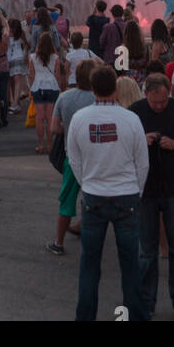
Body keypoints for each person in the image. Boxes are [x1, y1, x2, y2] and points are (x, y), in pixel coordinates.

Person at [66, 65, 150, 321]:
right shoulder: (131, 119)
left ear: (92, 90)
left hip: (93, 197)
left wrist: (87, 183)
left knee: (90, 265)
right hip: (126, 196)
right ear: (115, 88)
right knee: (130, 265)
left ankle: (85, 316)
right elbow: (142, 163)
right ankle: (136, 315)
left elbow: (74, 159)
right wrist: (137, 192)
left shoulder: (80, 119)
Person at [130, 73, 174, 320]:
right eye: (154, 102)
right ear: (145, 94)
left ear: (168, 93)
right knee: (146, 253)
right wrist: (143, 140)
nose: (159, 106)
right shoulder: (135, 112)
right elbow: (124, 146)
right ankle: (146, 303)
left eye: (162, 101)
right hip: (145, 190)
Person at [46, 58, 96, 255]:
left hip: (72, 155)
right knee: (93, 197)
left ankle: (58, 242)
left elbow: (54, 128)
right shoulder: (98, 98)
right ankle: (90, 235)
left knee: (67, 200)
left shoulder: (65, 98)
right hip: (96, 155)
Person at [29, 33, 62, 154]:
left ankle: (40, 145)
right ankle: (50, 145)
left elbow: (31, 75)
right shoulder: (55, 58)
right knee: (49, 118)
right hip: (52, 86)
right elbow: (57, 75)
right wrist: (59, 87)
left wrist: (31, 88)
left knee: (40, 118)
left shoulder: (32, 57)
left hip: (38, 86)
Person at [6, 18, 29, 111]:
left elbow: (27, 43)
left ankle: (14, 103)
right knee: (11, 82)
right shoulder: (6, 33)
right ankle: (15, 102)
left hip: (18, 58)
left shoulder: (21, 33)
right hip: (9, 59)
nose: (13, 29)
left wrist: (26, 53)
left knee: (17, 80)